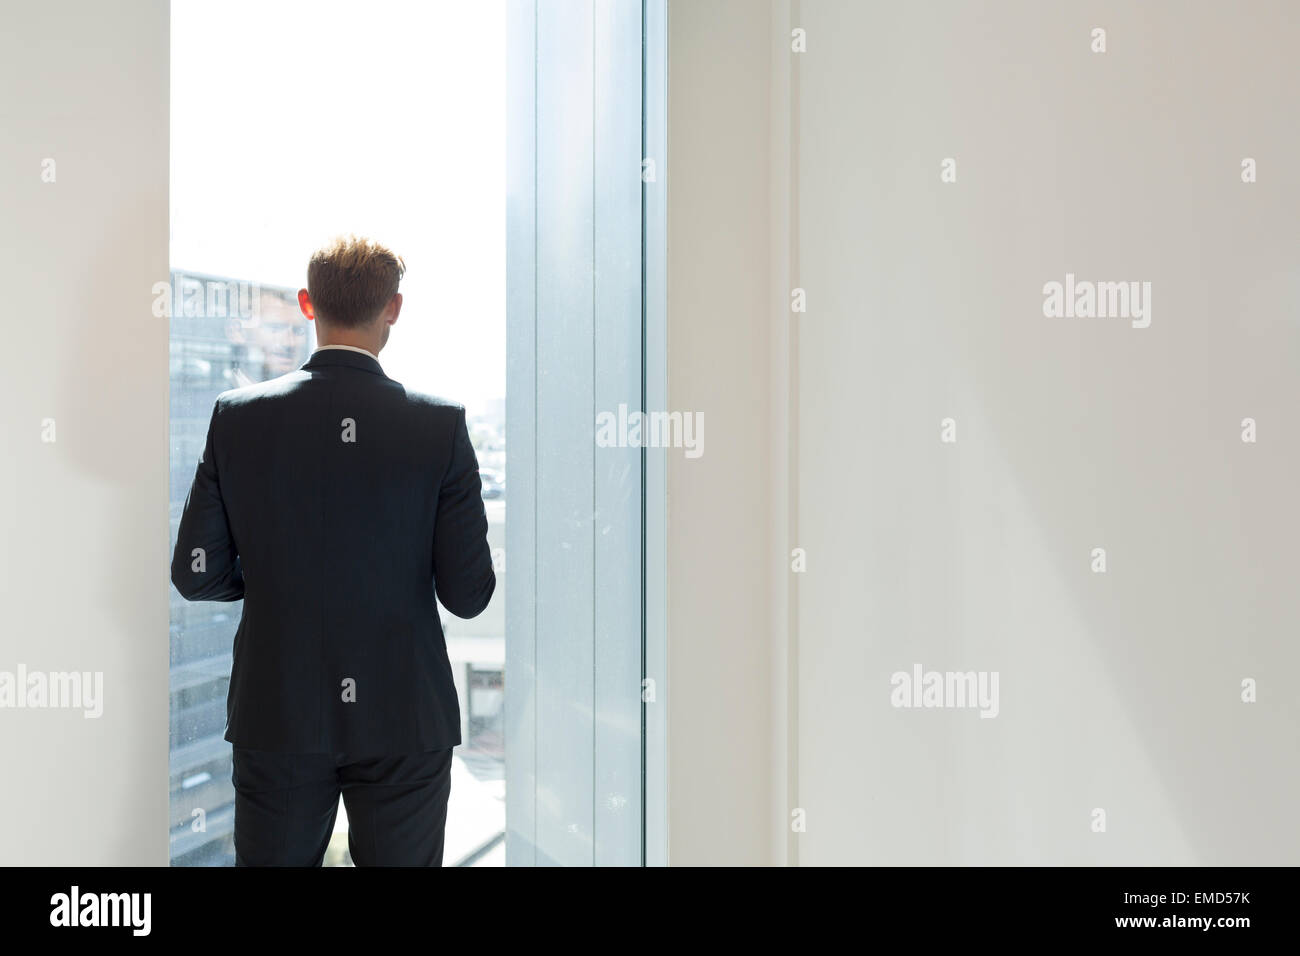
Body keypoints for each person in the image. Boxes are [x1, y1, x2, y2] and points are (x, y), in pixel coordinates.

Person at [171, 235, 495, 866]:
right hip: (405, 716)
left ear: (306, 304)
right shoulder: (440, 425)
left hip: (280, 711)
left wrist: (271, 576)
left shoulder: (236, 417)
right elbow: (468, 594)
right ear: (394, 308)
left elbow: (194, 573)